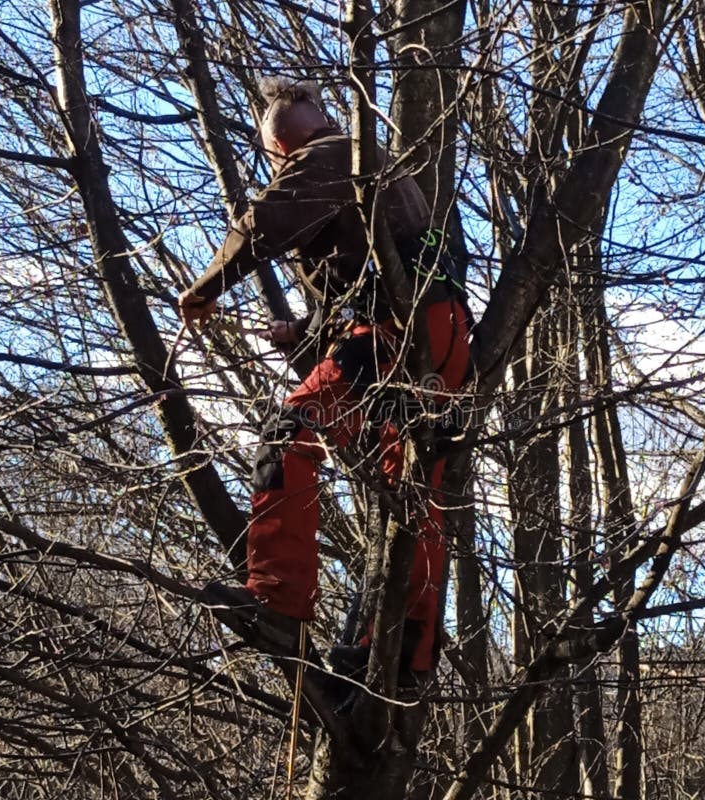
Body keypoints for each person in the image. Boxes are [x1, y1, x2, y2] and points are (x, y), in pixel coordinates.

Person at [179, 77, 471, 678]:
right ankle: (397, 658)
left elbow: (270, 219)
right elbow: (359, 269)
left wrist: (208, 286)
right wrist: (310, 333)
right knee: (412, 500)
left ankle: (279, 598)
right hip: (438, 333)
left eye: (286, 134)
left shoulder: (334, 154)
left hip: (397, 332)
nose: (287, 145)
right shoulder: (360, 170)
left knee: (291, 434)